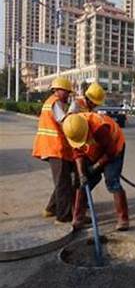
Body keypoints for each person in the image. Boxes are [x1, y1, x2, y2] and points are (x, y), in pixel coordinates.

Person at [62, 112, 130, 231]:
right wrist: (82, 174)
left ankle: (123, 218)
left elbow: (110, 152)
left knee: (112, 181)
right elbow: (78, 154)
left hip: (114, 148)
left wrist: (95, 167)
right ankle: (78, 218)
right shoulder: (71, 129)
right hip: (94, 150)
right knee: (81, 183)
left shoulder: (99, 128)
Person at [32, 77, 77, 224]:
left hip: (53, 148)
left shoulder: (51, 102)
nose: (68, 95)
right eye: (66, 92)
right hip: (55, 148)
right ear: (57, 90)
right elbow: (65, 123)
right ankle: (63, 217)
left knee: (63, 181)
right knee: (63, 183)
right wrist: (72, 110)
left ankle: (51, 209)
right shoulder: (55, 103)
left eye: (69, 93)